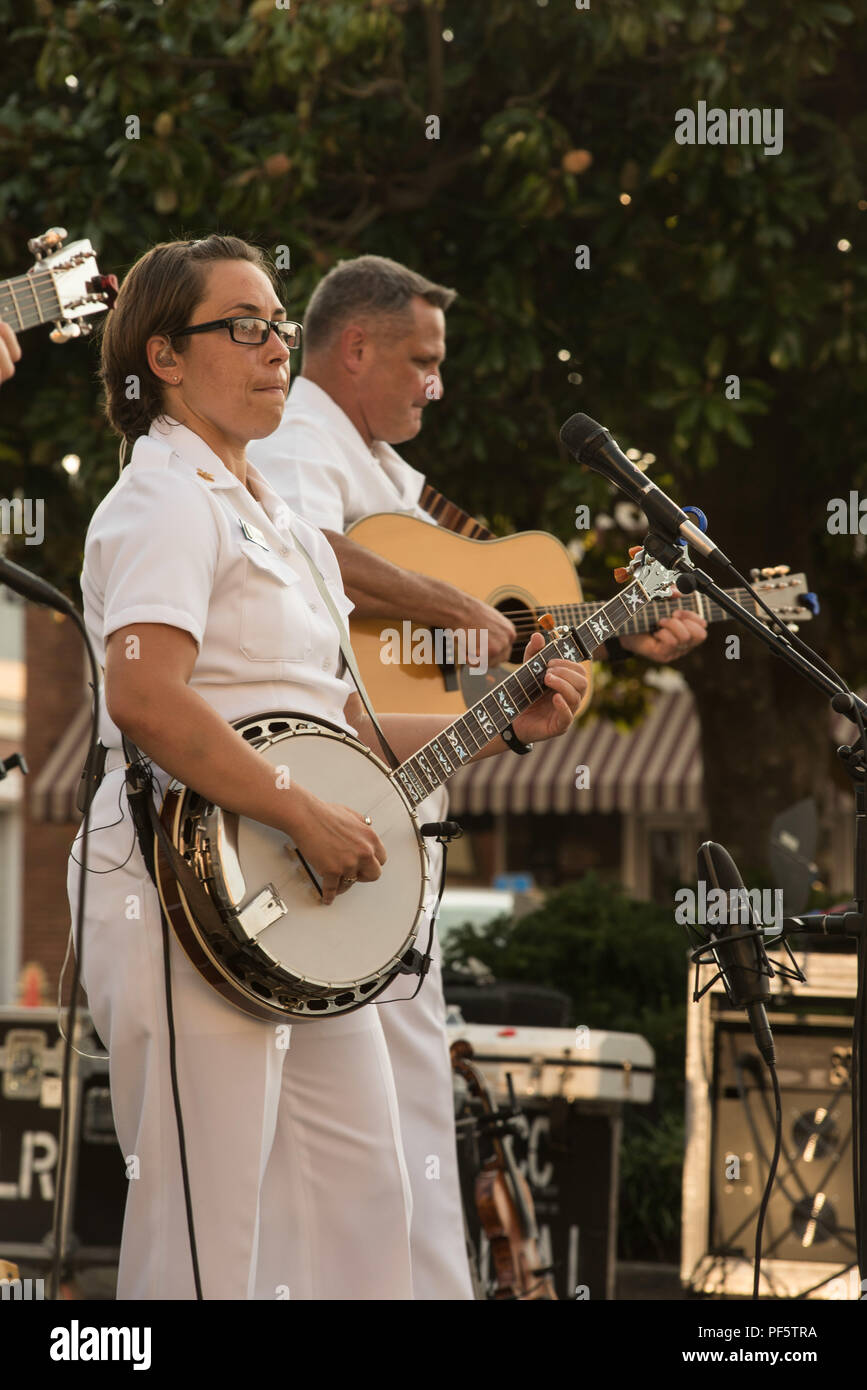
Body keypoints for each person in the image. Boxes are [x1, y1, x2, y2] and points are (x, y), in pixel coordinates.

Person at [67, 235, 589, 1300]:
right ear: (165, 356)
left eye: (281, 327)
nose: (276, 350)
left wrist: (504, 722)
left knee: (367, 1204)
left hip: (300, 908)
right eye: (245, 327)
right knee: (205, 1237)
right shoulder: (161, 498)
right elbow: (146, 697)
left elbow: (347, 729)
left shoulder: (294, 532)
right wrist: (302, 813)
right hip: (179, 895)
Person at [248, 254, 707, 1299]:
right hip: (326, 821)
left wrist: (624, 622)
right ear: (355, 348)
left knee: (407, 1149)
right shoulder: (295, 438)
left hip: (395, 842)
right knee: (354, 1162)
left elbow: (489, 596)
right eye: (422, 361)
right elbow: (305, 549)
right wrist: (458, 613)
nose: (437, 385)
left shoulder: (386, 473)